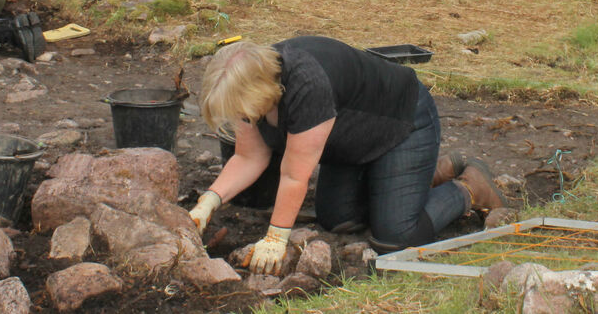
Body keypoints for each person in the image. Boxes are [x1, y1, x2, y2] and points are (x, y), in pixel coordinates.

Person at [187, 36, 503, 274]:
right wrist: (209, 202)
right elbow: (248, 157)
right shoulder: (251, 85)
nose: (240, 118)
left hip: (402, 123)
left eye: (239, 111)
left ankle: (469, 187)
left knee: (395, 238)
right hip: (354, 139)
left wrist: (275, 238)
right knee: (337, 219)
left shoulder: (306, 86)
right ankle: (425, 175)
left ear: (257, 93)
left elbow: (295, 174)